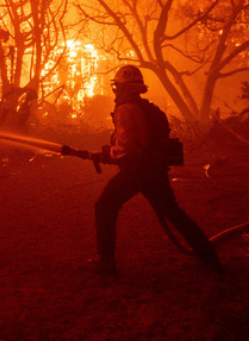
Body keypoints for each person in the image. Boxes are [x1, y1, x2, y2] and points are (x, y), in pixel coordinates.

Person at [91, 65, 222, 278]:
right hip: (155, 170)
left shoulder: (126, 108)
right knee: (173, 212)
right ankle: (209, 256)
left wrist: (110, 153)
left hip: (136, 171)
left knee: (104, 206)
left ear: (121, 87)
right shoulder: (147, 108)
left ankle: (106, 264)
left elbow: (128, 146)